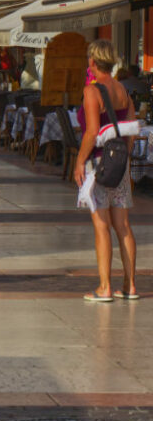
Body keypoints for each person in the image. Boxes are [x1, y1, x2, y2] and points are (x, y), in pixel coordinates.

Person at [74, 39, 137, 302]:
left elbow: (91, 132)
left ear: (92, 61)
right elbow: (131, 128)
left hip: (98, 164)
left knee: (101, 225)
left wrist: (79, 161)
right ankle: (130, 286)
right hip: (119, 164)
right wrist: (124, 157)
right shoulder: (123, 89)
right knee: (123, 226)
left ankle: (104, 287)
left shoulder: (92, 91)